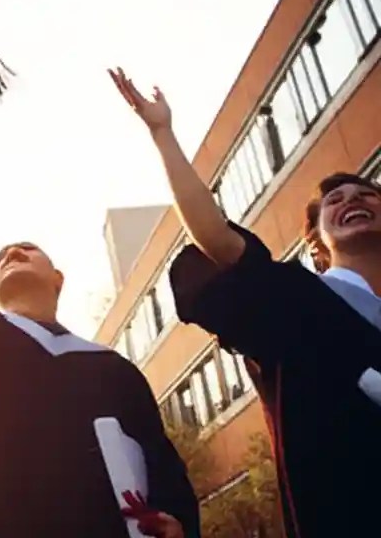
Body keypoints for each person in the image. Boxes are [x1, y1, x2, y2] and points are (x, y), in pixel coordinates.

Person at [0, 75, 198, 537]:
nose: (12, 253)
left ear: (58, 279)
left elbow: (163, 471)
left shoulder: (114, 371)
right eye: (1, 255)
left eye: (28, 248)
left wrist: (177, 525)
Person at [110, 67, 381, 538]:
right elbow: (215, 234)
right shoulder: (297, 301)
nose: (352, 200)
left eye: (367, 194)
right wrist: (163, 135)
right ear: (316, 245)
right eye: (335, 200)